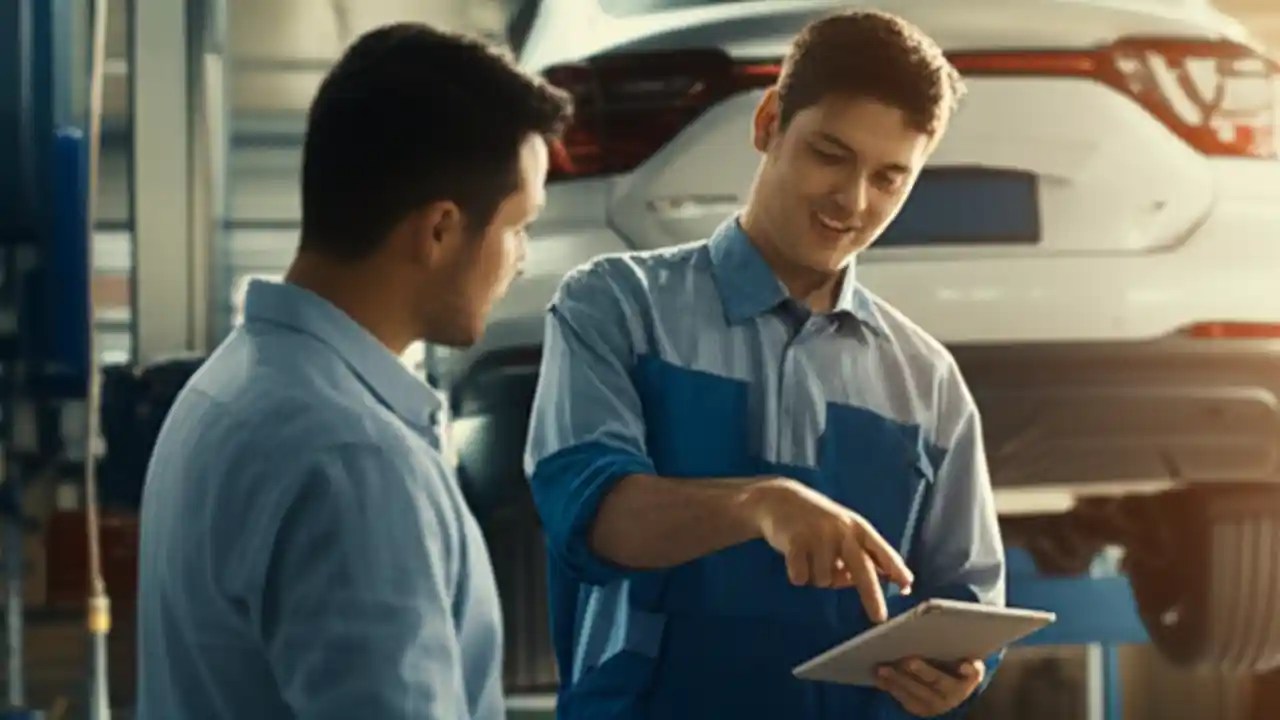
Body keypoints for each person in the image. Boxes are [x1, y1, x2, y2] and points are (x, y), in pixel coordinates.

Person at [524, 9, 1005, 719]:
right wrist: (760, 503)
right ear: (769, 122)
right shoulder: (618, 307)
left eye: (890, 177)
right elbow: (590, 518)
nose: (853, 201)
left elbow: (966, 602)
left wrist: (962, 672)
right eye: (830, 155)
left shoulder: (927, 383)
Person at [136, 23, 571, 720]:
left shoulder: (227, 389)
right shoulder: (354, 460)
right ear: (439, 231)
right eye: (518, 225)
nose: (521, 258)